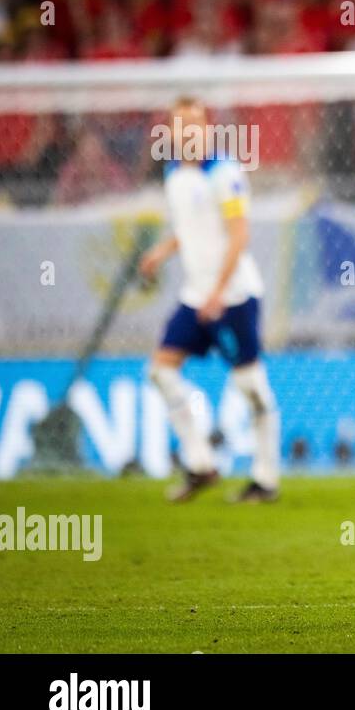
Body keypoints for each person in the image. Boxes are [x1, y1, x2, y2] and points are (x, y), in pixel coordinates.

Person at [139, 97, 280, 503]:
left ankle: (265, 480)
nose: (189, 132)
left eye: (196, 123)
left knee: (250, 385)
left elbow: (239, 234)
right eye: (181, 124)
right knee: (160, 371)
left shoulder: (225, 172)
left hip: (233, 296)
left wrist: (219, 292)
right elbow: (192, 228)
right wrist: (162, 252)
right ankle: (200, 463)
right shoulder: (174, 174)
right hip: (196, 294)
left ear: (207, 127)